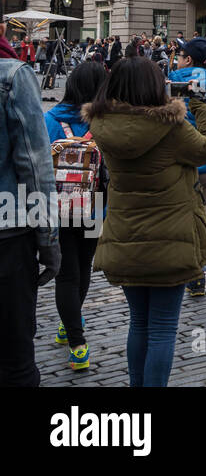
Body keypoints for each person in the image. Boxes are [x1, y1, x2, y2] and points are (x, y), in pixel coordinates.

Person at [86, 56, 206, 387]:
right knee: (162, 327)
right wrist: (200, 105)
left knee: (140, 324)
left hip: (125, 239)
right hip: (170, 242)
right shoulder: (171, 128)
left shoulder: (103, 126)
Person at [0, 27, 61, 387]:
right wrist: (49, 239)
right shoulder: (11, 74)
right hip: (7, 236)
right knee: (15, 360)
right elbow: (35, 166)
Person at [44, 61, 109, 371]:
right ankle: (72, 325)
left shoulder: (49, 119)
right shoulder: (103, 122)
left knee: (66, 274)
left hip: (58, 207)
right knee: (83, 269)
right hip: (93, 203)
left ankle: (76, 342)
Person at [166, 37, 206, 298]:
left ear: (188, 60)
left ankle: (176, 267)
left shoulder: (169, 88)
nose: (177, 59)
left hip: (178, 166)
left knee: (176, 217)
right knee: (205, 219)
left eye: (180, 55)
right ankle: (199, 275)